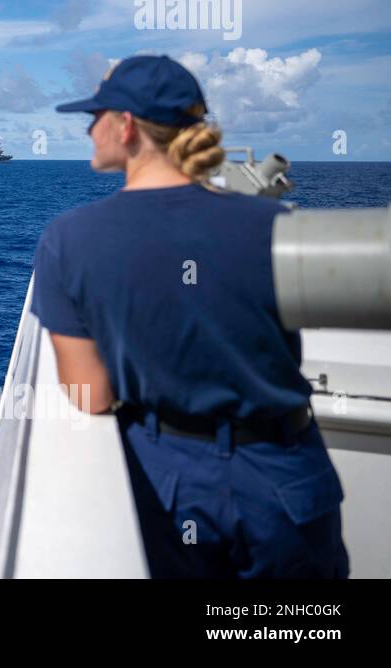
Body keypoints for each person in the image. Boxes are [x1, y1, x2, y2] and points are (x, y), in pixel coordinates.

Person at [31, 54, 349, 578]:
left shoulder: (69, 240)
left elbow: (91, 394)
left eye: (96, 116)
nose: (88, 129)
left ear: (126, 125)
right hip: (288, 474)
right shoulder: (274, 222)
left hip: (173, 484)